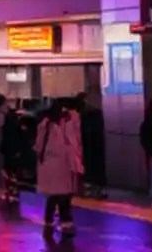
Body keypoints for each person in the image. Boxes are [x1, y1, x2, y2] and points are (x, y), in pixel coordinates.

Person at [35, 100, 83, 238]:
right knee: (62, 194)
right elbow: (72, 143)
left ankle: (50, 221)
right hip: (59, 164)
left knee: (57, 194)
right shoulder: (53, 125)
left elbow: (39, 146)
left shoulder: (47, 125)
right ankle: (64, 221)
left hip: (56, 165)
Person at [77, 93, 107, 199]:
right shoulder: (96, 116)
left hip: (87, 145)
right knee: (97, 162)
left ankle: (90, 187)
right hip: (95, 145)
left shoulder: (84, 118)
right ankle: (98, 188)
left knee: (89, 162)